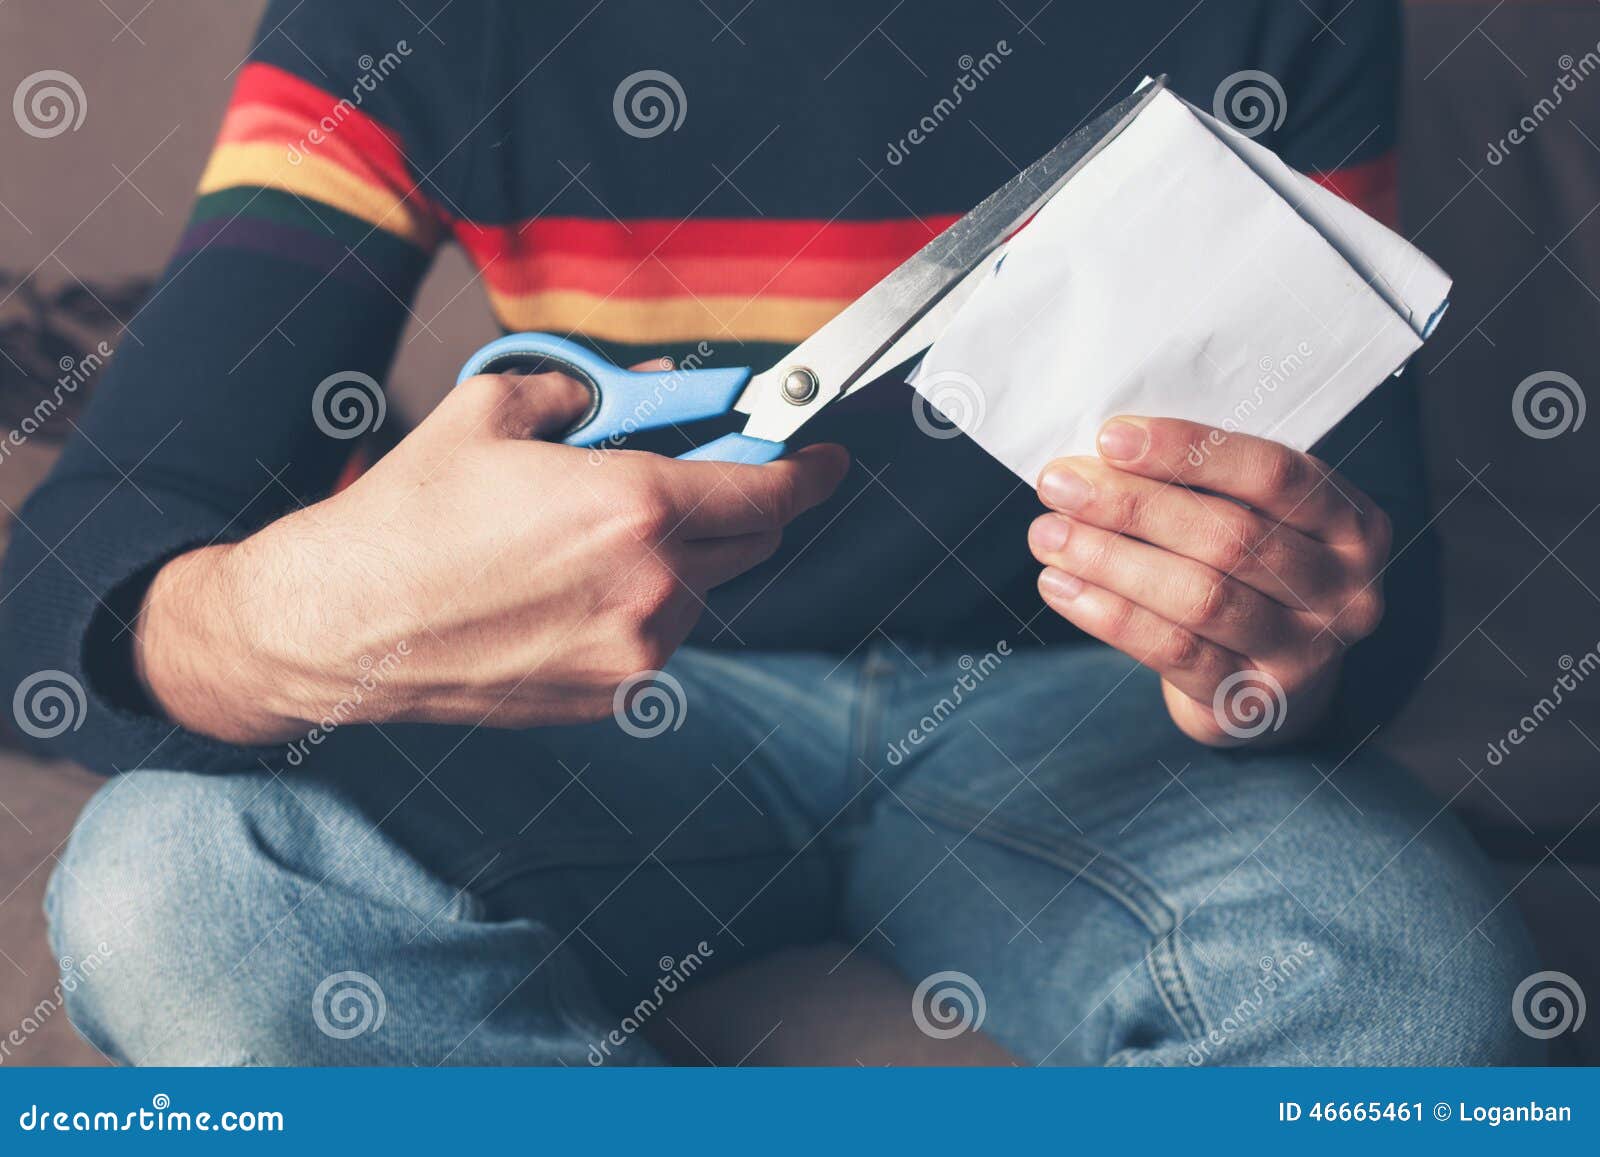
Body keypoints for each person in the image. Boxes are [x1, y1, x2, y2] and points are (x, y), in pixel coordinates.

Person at [2, 0, 1540, 1065]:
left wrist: (1277, 642)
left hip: (1093, 722)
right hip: (579, 713)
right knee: (170, 889)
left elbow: (1371, 582)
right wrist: (281, 621)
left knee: (1401, 982)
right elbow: (62, 585)